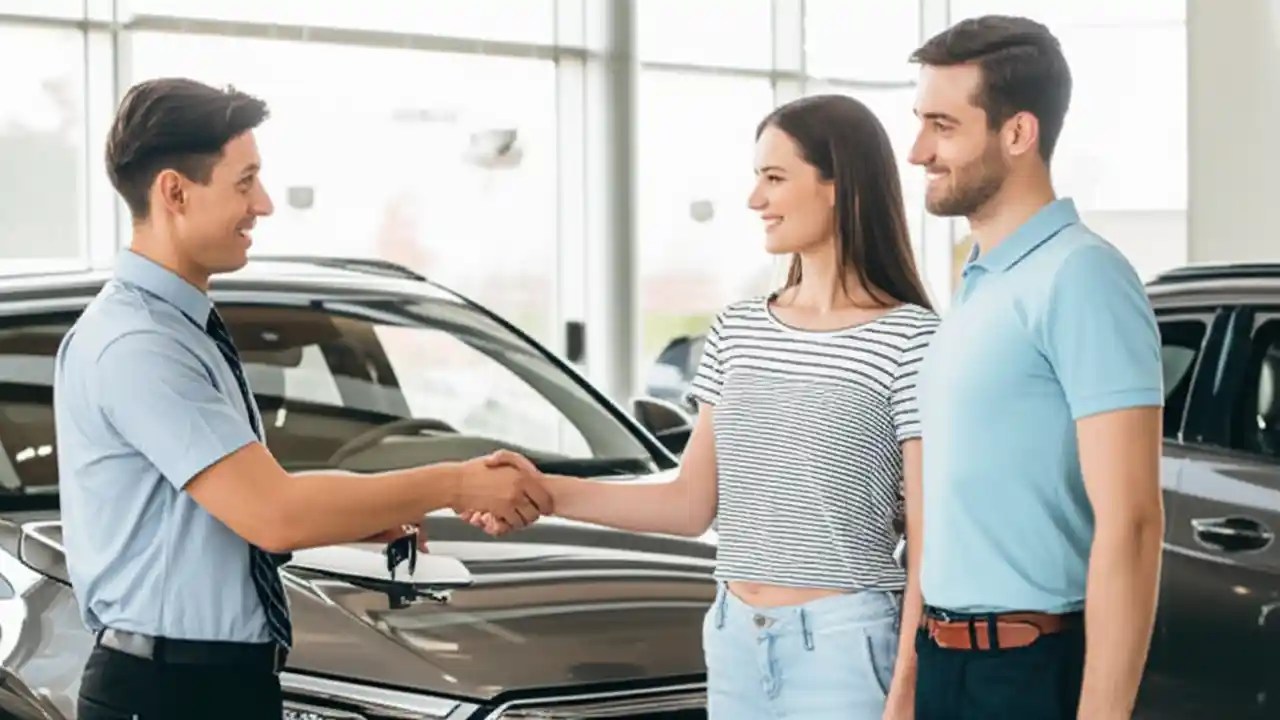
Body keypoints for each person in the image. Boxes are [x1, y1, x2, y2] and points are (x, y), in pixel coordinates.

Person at [53, 77, 553, 719]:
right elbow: (273, 512)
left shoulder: (179, 328)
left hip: (203, 683)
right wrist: (454, 483)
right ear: (175, 191)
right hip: (168, 693)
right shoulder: (137, 342)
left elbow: (222, 510)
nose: (262, 205)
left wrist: (350, 514)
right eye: (244, 181)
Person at [473, 94, 940, 719]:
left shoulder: (912, 339)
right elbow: (689, 503)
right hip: (732, 639)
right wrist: (543, 491)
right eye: (756, 178)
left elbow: (929, 549)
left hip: (845, 647)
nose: (756, 200)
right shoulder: (738, 328)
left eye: (775, 178)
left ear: (838, 187)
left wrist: (905, 693)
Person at [906, 15, 1165, 720]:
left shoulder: (1083, 275)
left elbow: (1135, 522)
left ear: (1017, 134)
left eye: (942, 125)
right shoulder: (980, 283)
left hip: (1026, 671)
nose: (917, 150)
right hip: (945, 661)